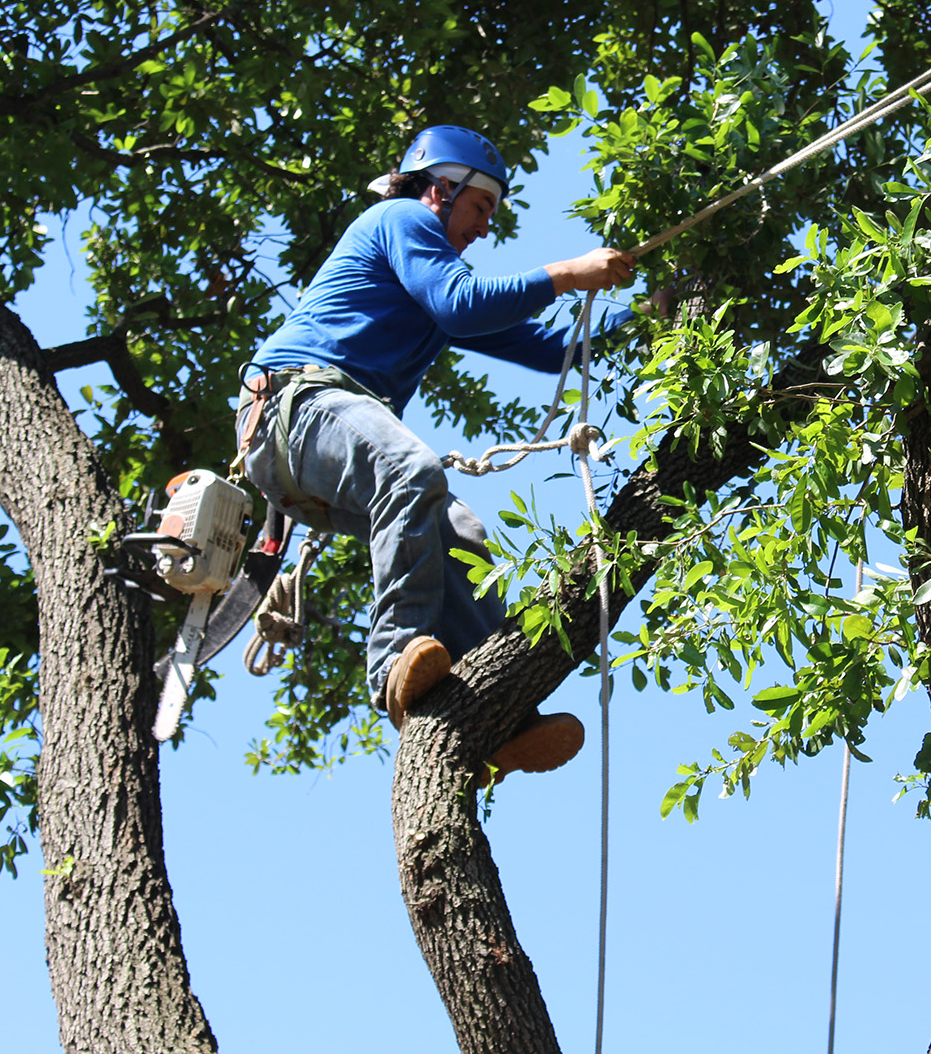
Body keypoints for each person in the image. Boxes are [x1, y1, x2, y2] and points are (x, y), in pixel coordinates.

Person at [235, 125, 635, 783]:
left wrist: (642, 315)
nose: (484, 229)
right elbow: (460, 305)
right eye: (481, 209)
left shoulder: (434, 283)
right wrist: (566, 272)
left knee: (459, 535)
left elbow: (541, 347)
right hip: (296, 407)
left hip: (329, 445)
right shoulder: (398, 220)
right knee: (409, 468)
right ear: (442, 189)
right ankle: (395, 657)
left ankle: (494, 715)